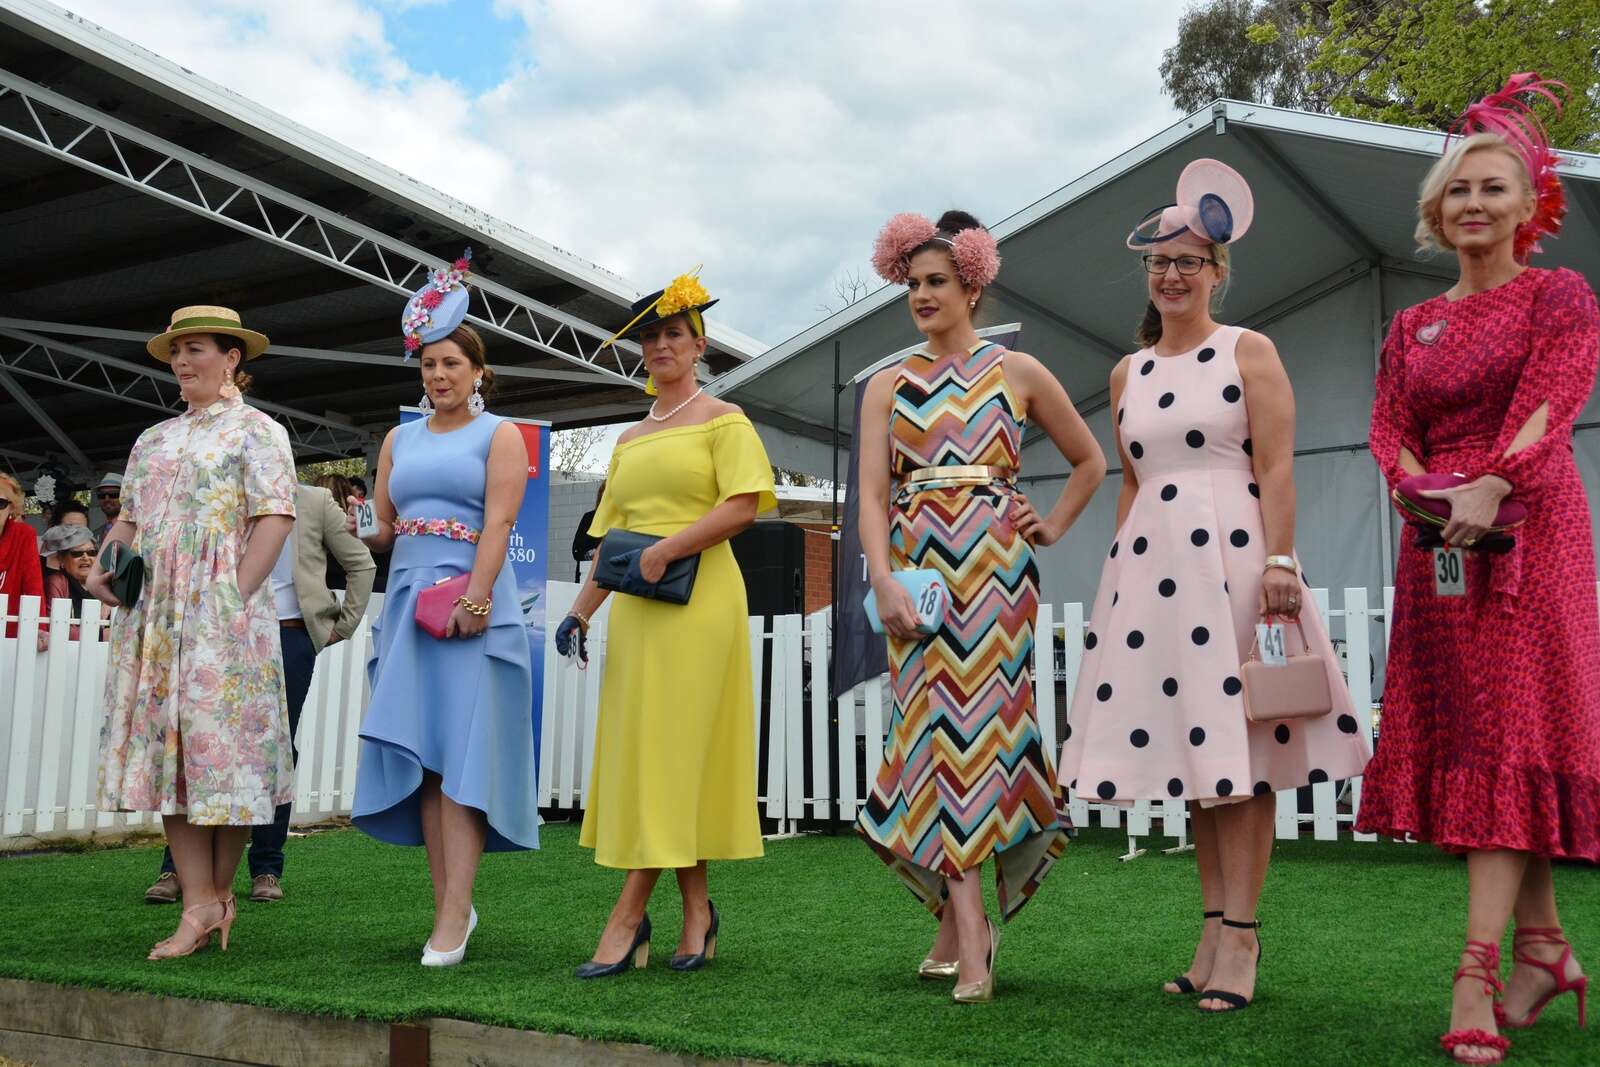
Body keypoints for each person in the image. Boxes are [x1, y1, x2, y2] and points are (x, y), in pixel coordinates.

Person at [1057, 160, 1371, 1014]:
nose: (1172, 274)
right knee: (1201, 759)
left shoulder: (1247, 350)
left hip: (1235, 565)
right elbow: (1131, 480)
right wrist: (1119, 575)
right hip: (1152, 575)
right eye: (1160, 261)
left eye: (1188, 261)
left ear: (1217, 270)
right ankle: (1209, 930)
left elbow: (1278, 465)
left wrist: (1280, 562)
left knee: (1242, 759)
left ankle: (1243, 933)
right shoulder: (1126, 373)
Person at [1359, 76, 1599, 1066]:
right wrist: (1425, 493)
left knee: (1510, 727)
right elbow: (1389, 427)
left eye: (1493, 187)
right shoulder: (1409, 324)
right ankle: (1545, 947)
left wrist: (1493, 483)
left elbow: (1553, 398)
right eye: (1457, 189)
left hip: (1530, 529)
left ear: (1529, 202)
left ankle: (1478, 969)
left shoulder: (1556, 294)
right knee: (1487, 736)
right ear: (1434, 209)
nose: (1472, 203)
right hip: (1439, 545)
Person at [854, 211, 1104, 1004]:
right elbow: (871, 496)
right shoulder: (886, 386)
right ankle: (964, 925)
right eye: (912, 284)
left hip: (998, 581)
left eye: (937, 282)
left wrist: (1050, 524)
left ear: (972, 286)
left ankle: (969, 934)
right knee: (931, 741)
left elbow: (1091, 460)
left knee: (978, 745)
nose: (921, 295)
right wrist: (883, 578)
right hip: (917, 585)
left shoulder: (1017, 371)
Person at [554, 269, 775, 978]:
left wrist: (668, 549)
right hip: (640, 611)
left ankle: (626, 917)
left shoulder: (724, 419)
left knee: (674, 753)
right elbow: (609, 542)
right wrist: (580, 612)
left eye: (674, 333)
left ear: (699, 344)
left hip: (702, 603)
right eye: (650, 336)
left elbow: (743, 505)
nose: (661, 345)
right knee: (662, 756)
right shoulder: (627, 440)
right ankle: (698, 910)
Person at [86, 306, 297, 960]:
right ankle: (200, 903)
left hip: (224, 609)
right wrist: (101, 566)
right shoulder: (152, 439)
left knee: (226, 754)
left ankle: (216, 896)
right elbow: (129, 523)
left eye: (196, 347)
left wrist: (234, 594)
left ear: (232, 357)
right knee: (169, 753)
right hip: (155, 611)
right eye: (176, 350)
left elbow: (275, 518)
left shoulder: (260, 431)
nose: (182, 360)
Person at [348, 251, 538, 968]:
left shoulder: (500, 435)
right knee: (426, 758)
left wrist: (477, 597)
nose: (439, 375)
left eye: (452, 363)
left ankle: (456, 910)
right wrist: (339, 529)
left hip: (472, 604)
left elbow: (499, 524)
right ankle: (448, 907)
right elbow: (385, 528)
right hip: (408, 605)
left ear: (478, 371)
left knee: (461, 758)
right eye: (429, 364)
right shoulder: (398, 438)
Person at [145, 482, 375, 904]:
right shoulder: (215, 494)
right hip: (214, 630)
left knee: (275, 749)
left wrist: (340, 627)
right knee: (200, 745)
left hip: (288, 633)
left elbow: (362, 563)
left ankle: (266, 868)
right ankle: (177, 868)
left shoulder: (313, 500)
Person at [40, 524, 96, 639]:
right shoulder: (56, 582)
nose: (85, 557)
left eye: (91, 552)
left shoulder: (104, 583)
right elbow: (57, 627)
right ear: (61, 558)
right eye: (77, 553)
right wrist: (100, 635)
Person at [570, 480, 605, 580]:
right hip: (588, 576)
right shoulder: (589, 518)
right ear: (600, 496)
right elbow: (577, 551)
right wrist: (592, 554)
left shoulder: (622, 520)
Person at [92, 472, 123, 543]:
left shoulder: (138, 531)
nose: (107, 499)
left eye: (113, 494)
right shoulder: (94, 534)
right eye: (102, 495)